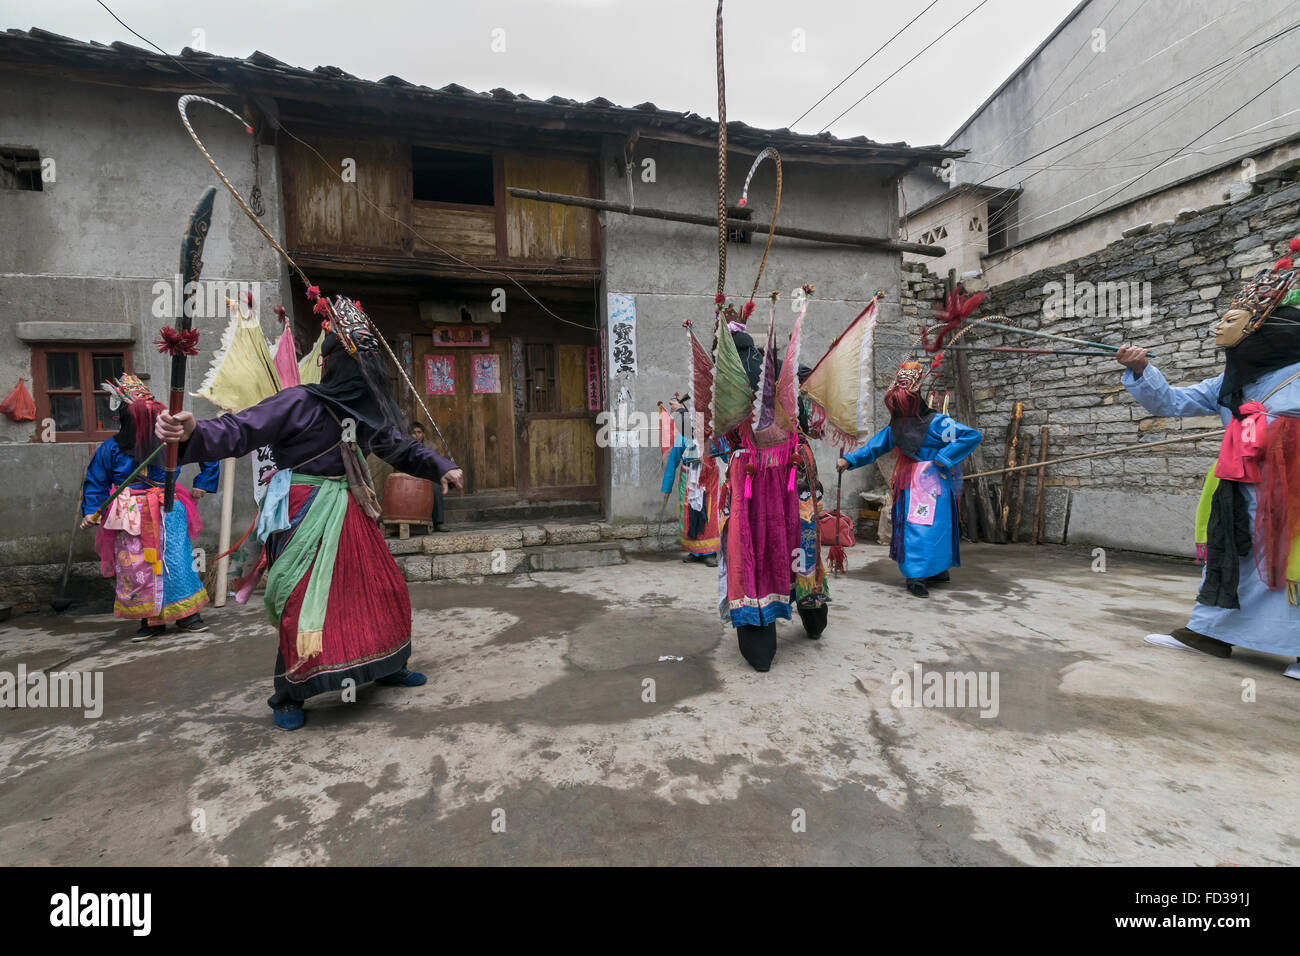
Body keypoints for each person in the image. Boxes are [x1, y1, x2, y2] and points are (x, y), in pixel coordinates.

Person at [156, 296, 465, 729]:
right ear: (335, 365)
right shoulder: (296, 401)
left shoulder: (363, 410)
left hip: (352, 507)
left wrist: (441, 466)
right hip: (304, 510)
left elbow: (396, 445)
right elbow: (239, 430)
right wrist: (191, 431)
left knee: (381, 589)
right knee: (302, 603)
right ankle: (290, 694)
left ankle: (388, 664)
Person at [1117, 246, 1300, 680]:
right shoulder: (1230, 382)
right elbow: (1172, 402)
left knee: (1292, 565)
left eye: (1231, 320)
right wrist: (1142, 368)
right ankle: (1211, 633)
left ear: (1263, 329)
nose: (1219, 326)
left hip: (1292, 494)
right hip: (1238, 489)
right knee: (1234, 557)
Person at [81, 373, 218, 640]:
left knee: (175, 561)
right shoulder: (111, 448)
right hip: (128, 514)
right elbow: (96, 480)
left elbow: (208, 452)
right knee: (136, 567)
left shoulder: (171, 441)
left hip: (167, 507)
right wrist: (92, 509)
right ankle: (150, 620)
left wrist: (205, 481)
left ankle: (188, 615)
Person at [837, 361, 982, 598]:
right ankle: (916, 574)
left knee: (935, 528)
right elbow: (875, 446)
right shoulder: (897, 427)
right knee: (916, 528)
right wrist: (850, 460)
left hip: (934, 481)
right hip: (911, 483)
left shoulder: (937, 423)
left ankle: (934, 570)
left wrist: (943, 457)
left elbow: (970, 436)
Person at [661, 394, 719, 567]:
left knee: (708, 513)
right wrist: (667, 488)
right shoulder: (683, 440)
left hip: (709, 479)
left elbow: (723, 455)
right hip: (688, 479)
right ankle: (694, 551)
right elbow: (672, 463)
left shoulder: (714, 439)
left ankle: (709, 552)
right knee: (687, 513)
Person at [409, 421, 448, 532]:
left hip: (427, 476)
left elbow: (436, 464)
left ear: (423, 434)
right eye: (413, 433)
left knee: (436, 488)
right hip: (410, 477)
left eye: (419, 432)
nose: (417, 435)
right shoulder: (404, 447)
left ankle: (438, 522)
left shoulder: (431, 447)